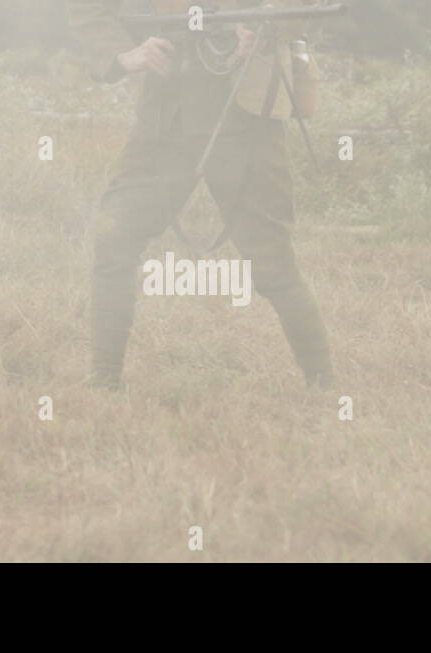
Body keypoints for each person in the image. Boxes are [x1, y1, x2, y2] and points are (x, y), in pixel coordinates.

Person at [68, 0, 334, 390]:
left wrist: (261, 26)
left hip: (245, 119)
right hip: (167, 117)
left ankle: (324, 385)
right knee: (114, 238)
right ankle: (103, 384)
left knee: (271, 260)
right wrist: (122, 54)